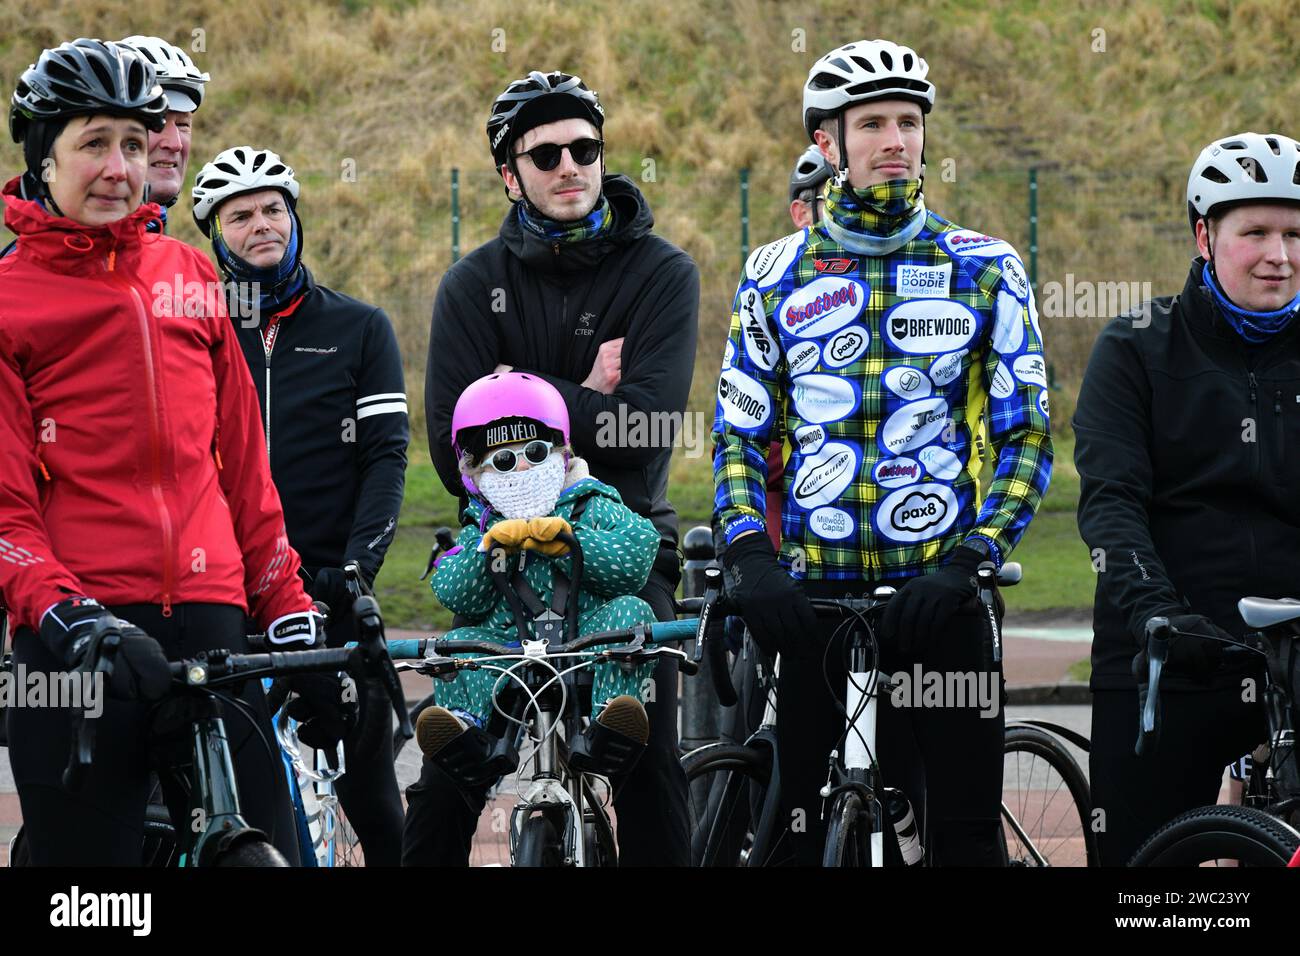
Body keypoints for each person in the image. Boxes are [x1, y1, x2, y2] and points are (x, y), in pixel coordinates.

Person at [712, 38, 1052, 865]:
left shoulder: (986, 267)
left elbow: (1027, 434)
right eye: (873, 124)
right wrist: (750, 553)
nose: (896, 139)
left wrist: (974, 558)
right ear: (827, 145)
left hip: (938, 598)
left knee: (964, 837)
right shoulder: (773, 273)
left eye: (910, 120)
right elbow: (740, 436)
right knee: (792, 827)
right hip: (814, 603)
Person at [0, 38, 325, 865]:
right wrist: (64, 613)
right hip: (80, 638)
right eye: (95, 143)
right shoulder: (9, 299)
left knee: (262, 850)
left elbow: (245, 467)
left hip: (213, 624)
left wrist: (284, 601)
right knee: (93, 905)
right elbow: (6, 507)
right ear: (43, 158)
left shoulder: (189, 274)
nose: (119, 167)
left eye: (137, 146)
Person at [416, 69, 699, 866]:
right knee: (445, 782)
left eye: (585, 148)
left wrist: (514, 399)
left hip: (623, 548)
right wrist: (584, 395)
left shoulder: (661, 274)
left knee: (649, 765)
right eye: (546, 156)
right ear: (511, 175)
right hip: (497, 555)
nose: (570, 165)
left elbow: (644, 429)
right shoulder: (471, 286)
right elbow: (450, 454)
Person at [1074, 131, 1300, 865]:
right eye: (1256, 232)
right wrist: (1158, 617)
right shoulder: (1136, 346)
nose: (1281, 255)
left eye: (1297, 233)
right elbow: (1112, 502)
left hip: (1294, 646)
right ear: (1205, 236)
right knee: (1150, 882)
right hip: (1168, 657)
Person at [191, 146, 409, 865]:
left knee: (375, 800)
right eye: (241, 215)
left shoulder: (360, 327)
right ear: (216, 235)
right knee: (239, 799)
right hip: (228, 586)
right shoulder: (196, 329)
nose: (262, 225)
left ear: (296, 217)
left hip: (328, 586)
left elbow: (385, 458)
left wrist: (354, 570)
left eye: (273, 209)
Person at [419, 372, 660, 791]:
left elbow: (637, 555)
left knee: (632, 614)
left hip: (586, 642)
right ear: (476, 474)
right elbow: (455, 592)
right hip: (511, 649)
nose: (524, 467)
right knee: (458, 647)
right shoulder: (483, 524)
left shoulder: (590, 503)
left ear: (560, 452)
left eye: (534, 451)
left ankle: (609, 725)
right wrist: (487, 551)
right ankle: (467, 737)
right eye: (505, 460)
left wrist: (572, 544)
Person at [118, 35, 208, 225]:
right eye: (156, 122)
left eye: (183, 124)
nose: (175, 144)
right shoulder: (56, 248)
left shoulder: (182, 255)